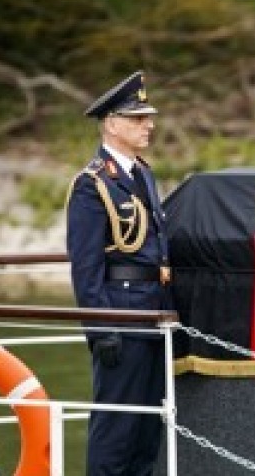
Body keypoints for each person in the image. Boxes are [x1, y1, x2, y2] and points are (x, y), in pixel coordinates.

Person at [66, 71, 174, 476]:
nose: (148, 125)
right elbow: (87, 268)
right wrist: (101, 330)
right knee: (116, 429)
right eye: (137, 118)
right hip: (121, 318)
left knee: (147, 431)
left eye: (148, 117)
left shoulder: (142, 173)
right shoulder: (92, 185)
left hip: (152, 314)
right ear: (111, 124)